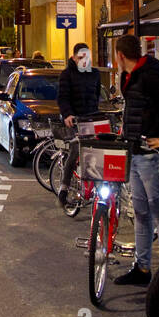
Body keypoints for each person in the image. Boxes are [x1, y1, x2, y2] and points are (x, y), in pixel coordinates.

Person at [111, 34, 159, 285]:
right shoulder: (130, 77)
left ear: (121, 55)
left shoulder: (151, 77)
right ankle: (142, 268)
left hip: (153, 157)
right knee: (141, 212)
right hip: (136, 153)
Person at [55, 43, 104, 206]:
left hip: (91, 118)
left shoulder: (95, 74)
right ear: (74, 58)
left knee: (97, 150)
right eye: (81, 58)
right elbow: (62, 97)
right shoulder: (67, 74)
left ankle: (97, 186)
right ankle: (64, 188)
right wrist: (67, 114)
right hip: (76, 119)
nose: (84, 61)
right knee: (75, 150)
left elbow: (97, 95)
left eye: (86, 57)